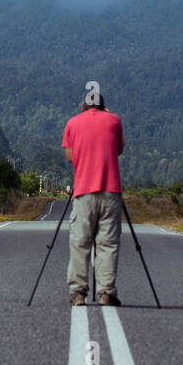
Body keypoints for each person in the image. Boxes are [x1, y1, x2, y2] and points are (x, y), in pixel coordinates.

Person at [61, 88, 124, 306]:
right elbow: (118, 149)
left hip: (84, 191)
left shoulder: (73, 123)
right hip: (110, 191)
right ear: (104, 106)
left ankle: (78, 293)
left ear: (83, 107)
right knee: (108, 243)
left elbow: (69, 157)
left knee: (80, 242)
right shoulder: (114, 120)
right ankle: (106, 292)